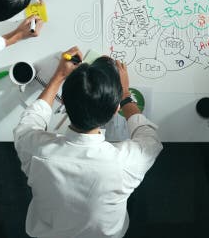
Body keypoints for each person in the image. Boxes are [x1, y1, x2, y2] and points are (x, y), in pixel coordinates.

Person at [13, 47, 162, 238]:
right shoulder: (124, 164)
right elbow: (148, 137)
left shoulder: (36, 150)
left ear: (63, 103)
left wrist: (58, 76)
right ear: (116, 110)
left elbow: (30, 120)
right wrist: (125, 94)